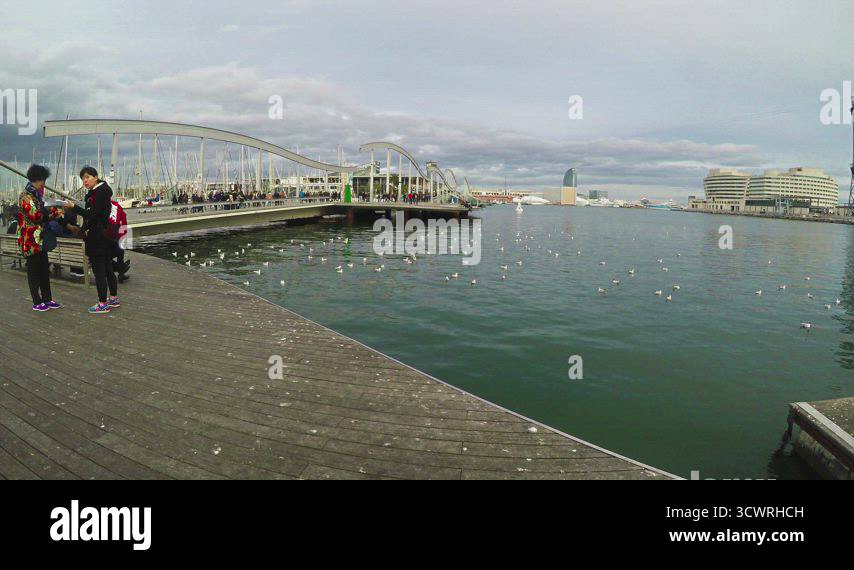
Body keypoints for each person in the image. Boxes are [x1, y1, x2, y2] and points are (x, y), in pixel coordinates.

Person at [66, 166, 119, 314]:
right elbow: (93, 214)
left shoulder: (99, 193)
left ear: (96, 177)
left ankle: (102, 303)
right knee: (107, 268)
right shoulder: (98, 192)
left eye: (88, 177)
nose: (85, 180)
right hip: (105, 235)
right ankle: (113, 298)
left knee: (99, 271)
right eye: (83, 178)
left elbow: (93, 215)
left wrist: (74, 208)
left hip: (97, 237)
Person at [17, 165, 63, 312]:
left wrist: (52, 213)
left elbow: (41, 215)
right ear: (37, 179)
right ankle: (37, 301)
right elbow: (36, 216)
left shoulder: (36, 196)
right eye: (43, 180)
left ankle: (47, 299)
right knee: (34, 271)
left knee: (44, 269)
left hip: (40, 240)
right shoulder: (26, 196)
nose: (43, 183)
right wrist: (52, 213)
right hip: (30, 241)